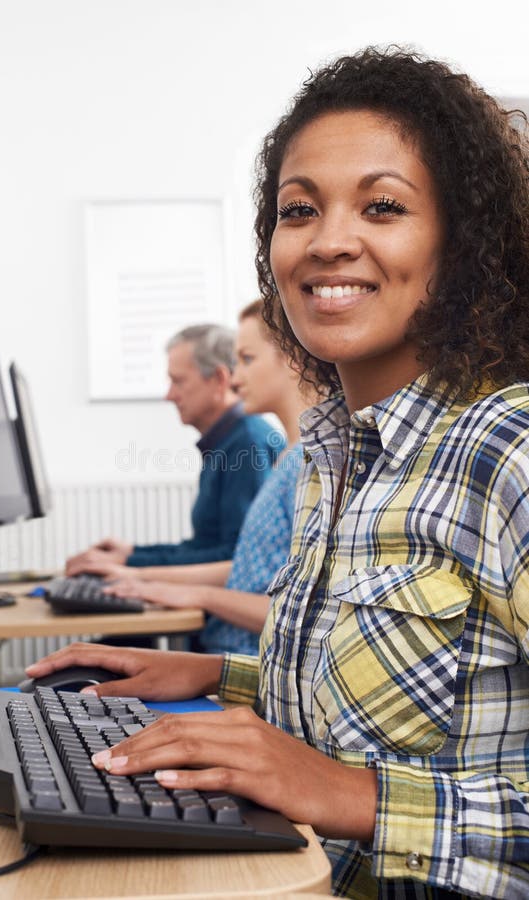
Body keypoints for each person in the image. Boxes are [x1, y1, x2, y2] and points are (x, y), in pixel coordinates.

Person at [26, 48, 529, 898]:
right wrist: (213, 678)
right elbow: (404, 693)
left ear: (461, 240)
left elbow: (352, 770)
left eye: (382, 205)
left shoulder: (505, 451)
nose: (329, 241)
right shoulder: (337, 455)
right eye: (299, 210)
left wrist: (356, 797)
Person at [81, 299, 319, 655]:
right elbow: (248, 566)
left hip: (243, 658)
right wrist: (136, 566)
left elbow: (300, 611)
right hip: (230, 652)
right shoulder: (288, 455)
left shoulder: (292, 458)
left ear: (293, 359)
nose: (236, 378)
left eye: (247, 360)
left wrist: (149, 576)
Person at [66, 323, 285, 572]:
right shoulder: (227, 440)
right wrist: (133, 553)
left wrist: (130, 563)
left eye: (178, 382)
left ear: (219, 379)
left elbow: (234, 558)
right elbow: (205, 546)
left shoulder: (248, 442)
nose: (169, 395)